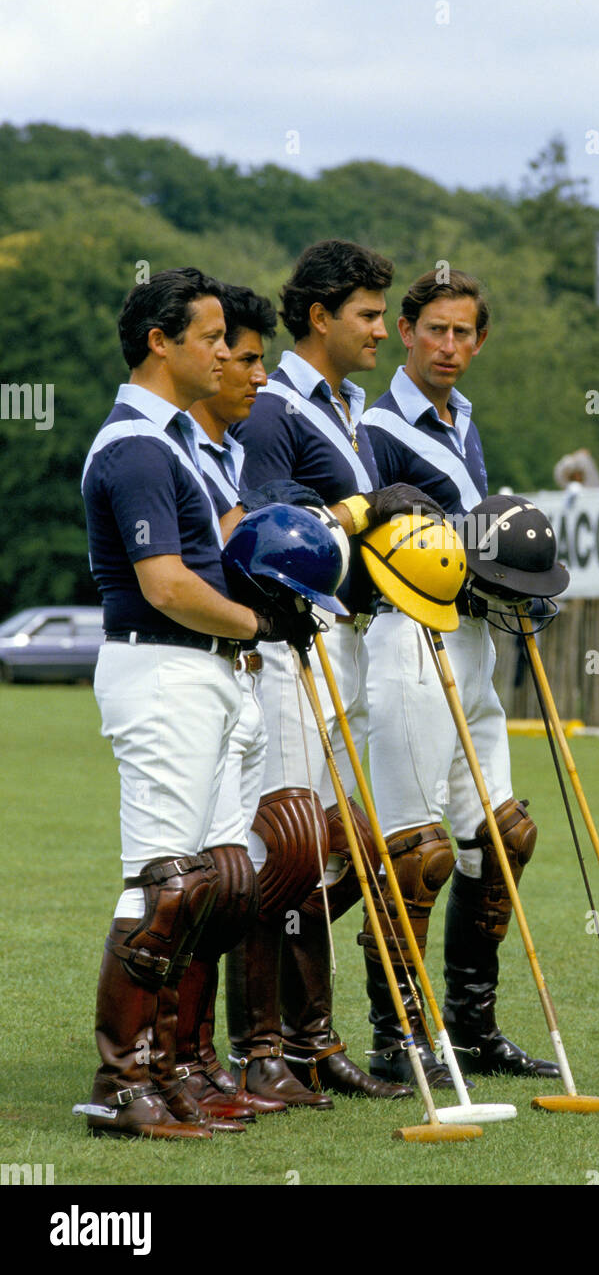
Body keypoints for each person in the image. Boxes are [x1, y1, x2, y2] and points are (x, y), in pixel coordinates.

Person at [78, 268, 300, 1140]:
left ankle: (173, 1071)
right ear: (159, 343)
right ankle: (119, 1083)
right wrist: (255, 620)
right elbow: (166, 584)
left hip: (209, 673)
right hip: (164, 668)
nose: (225, 351)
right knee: (163, 886)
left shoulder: (183, 443)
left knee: (210, 883)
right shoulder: (134, 445)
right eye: (209, 337)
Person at [229, 239, 435, 1105]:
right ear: (319, 316)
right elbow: (267, 523)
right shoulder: (274, 407)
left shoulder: (351, 407)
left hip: (346, 644)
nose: (382, 331)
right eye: (366, 315)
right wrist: (358, 509)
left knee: (334, 848)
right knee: (289, 845)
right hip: (287, 647)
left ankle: (313, 1040)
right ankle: (260, 1049)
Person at [360, 268, 559, 1085]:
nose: (448, 347)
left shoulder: (463, 420)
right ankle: (399, 1038)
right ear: (404, 331)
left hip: (475, 643)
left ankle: (473, 1030)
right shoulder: (375, 426)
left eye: (463, 333)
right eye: (433, 330)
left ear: (479, 340)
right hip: (408, 637)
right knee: (415, 851)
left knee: (500, 839)